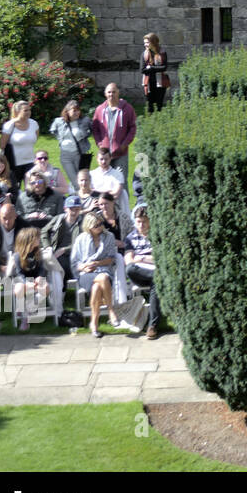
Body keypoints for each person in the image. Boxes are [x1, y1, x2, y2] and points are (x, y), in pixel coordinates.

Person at [71, 212, 121, 337]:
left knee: (97, 286)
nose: (99, 227)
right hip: (86, 274)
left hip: (103, 270)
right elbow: (75, 262)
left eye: (100, 223)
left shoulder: (108, 236)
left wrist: (96, 263)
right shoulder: (81, 239)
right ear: (88, 227)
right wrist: (85, 266)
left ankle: (94, 323)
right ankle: (111, 310)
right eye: (96, 225)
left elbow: (111, 259)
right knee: (101, 279)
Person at [123, 203, 163, 339]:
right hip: (138, 272)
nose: (141, 225)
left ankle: (152, 326)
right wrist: (148, 258)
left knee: (156, 284)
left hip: (153, 269)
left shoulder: (156, 236)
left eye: (144, 222)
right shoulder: (130, 238)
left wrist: (141, 257)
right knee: (129, 269)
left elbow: (160, 259)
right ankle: (158, 277)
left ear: (150, 221)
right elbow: (129, 261)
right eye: (138, 222)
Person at [4, 227, 52, 331]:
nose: (39, 239)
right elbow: (19, 273)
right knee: (19, 289)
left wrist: (40, 277)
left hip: (36, 281)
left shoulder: (38, 253)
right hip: (22, 282)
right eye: (37, 238)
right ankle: (25, 317)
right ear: (29, 240)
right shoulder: (17, 256)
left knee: (46, 287)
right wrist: (27, 283)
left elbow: (42, 269)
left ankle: (29, 309)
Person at [91, 83, 137, 184]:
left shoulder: (127, 109)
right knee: (105, 182)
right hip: (105, 154)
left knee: (121, 182)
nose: (111, 94)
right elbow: (95, 129)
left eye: (114, 92)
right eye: (109, 92)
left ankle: (123, 200)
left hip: (121, 153)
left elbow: (132, 128)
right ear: (105, 94)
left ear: (118, 93)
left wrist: (125, 144)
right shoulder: (99, 110)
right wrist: (99, 143)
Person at [41, 194, 86, 286]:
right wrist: (48, 247)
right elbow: (44, 231)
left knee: (62, 262)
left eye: (77, 209)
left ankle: (61, 289)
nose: (74, 212)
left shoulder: (83, 223)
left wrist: (64, 250)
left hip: (74, 254)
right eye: (71, 209)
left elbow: (81, 243)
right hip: (55, 251)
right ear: (65, 209)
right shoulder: (58, 219)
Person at [50, 100, 94, 194]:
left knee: (82, 179)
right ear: (67, 111)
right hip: (65, 156)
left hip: (79, 154)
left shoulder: (85, 121)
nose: (77, 112)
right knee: (74, 180)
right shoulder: (59, 121)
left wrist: (85, 137)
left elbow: (93, 129)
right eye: (74, 110)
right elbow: (53, 130)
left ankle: (82, 198)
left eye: (78, 110)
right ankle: (78, 199)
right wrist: (61, 139)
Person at [0, 101, 40, 192]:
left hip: (30, 162)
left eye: (29, 110)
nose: (28, 112)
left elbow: (35, 138)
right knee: (13, 190)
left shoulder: (34, 124)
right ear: (17, 112)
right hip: (13, 164)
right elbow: (2, 145)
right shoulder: (9, 125)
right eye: (25, 110)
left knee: (31, 189)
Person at [0, 203, 31, 277]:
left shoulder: (24, 227)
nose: (7, 222)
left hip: (17, 259)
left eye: (10, 218)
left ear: (15, 216)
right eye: (4, 218)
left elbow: (29, 248)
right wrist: (0, 266)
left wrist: (16, 261)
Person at [140, 33, 170, 113]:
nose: (145, 44)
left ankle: (159, 123)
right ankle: (151, 123)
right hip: (148, 82)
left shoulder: (162, 53)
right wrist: (157, 69)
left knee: (159, 106)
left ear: (153, 42)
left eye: (147, 42)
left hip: (160, 83)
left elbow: (164, 67)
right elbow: (142, 70)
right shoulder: (144, 54)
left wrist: (151, 68)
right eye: (144, 42)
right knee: (150, 106)